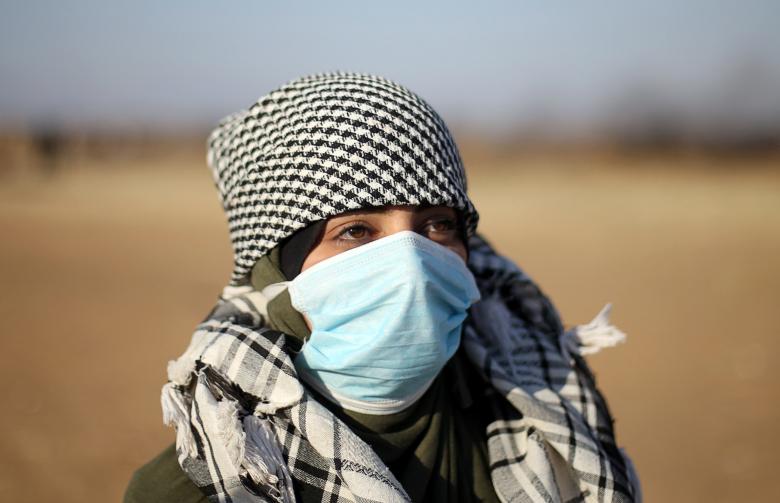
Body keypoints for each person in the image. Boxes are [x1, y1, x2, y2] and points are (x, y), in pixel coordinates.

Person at [124, 73, 641, 503]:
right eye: (355, 231)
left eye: (438, 225)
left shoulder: (548, 429)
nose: (411, 261)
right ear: (275, 274)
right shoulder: (204, 488)